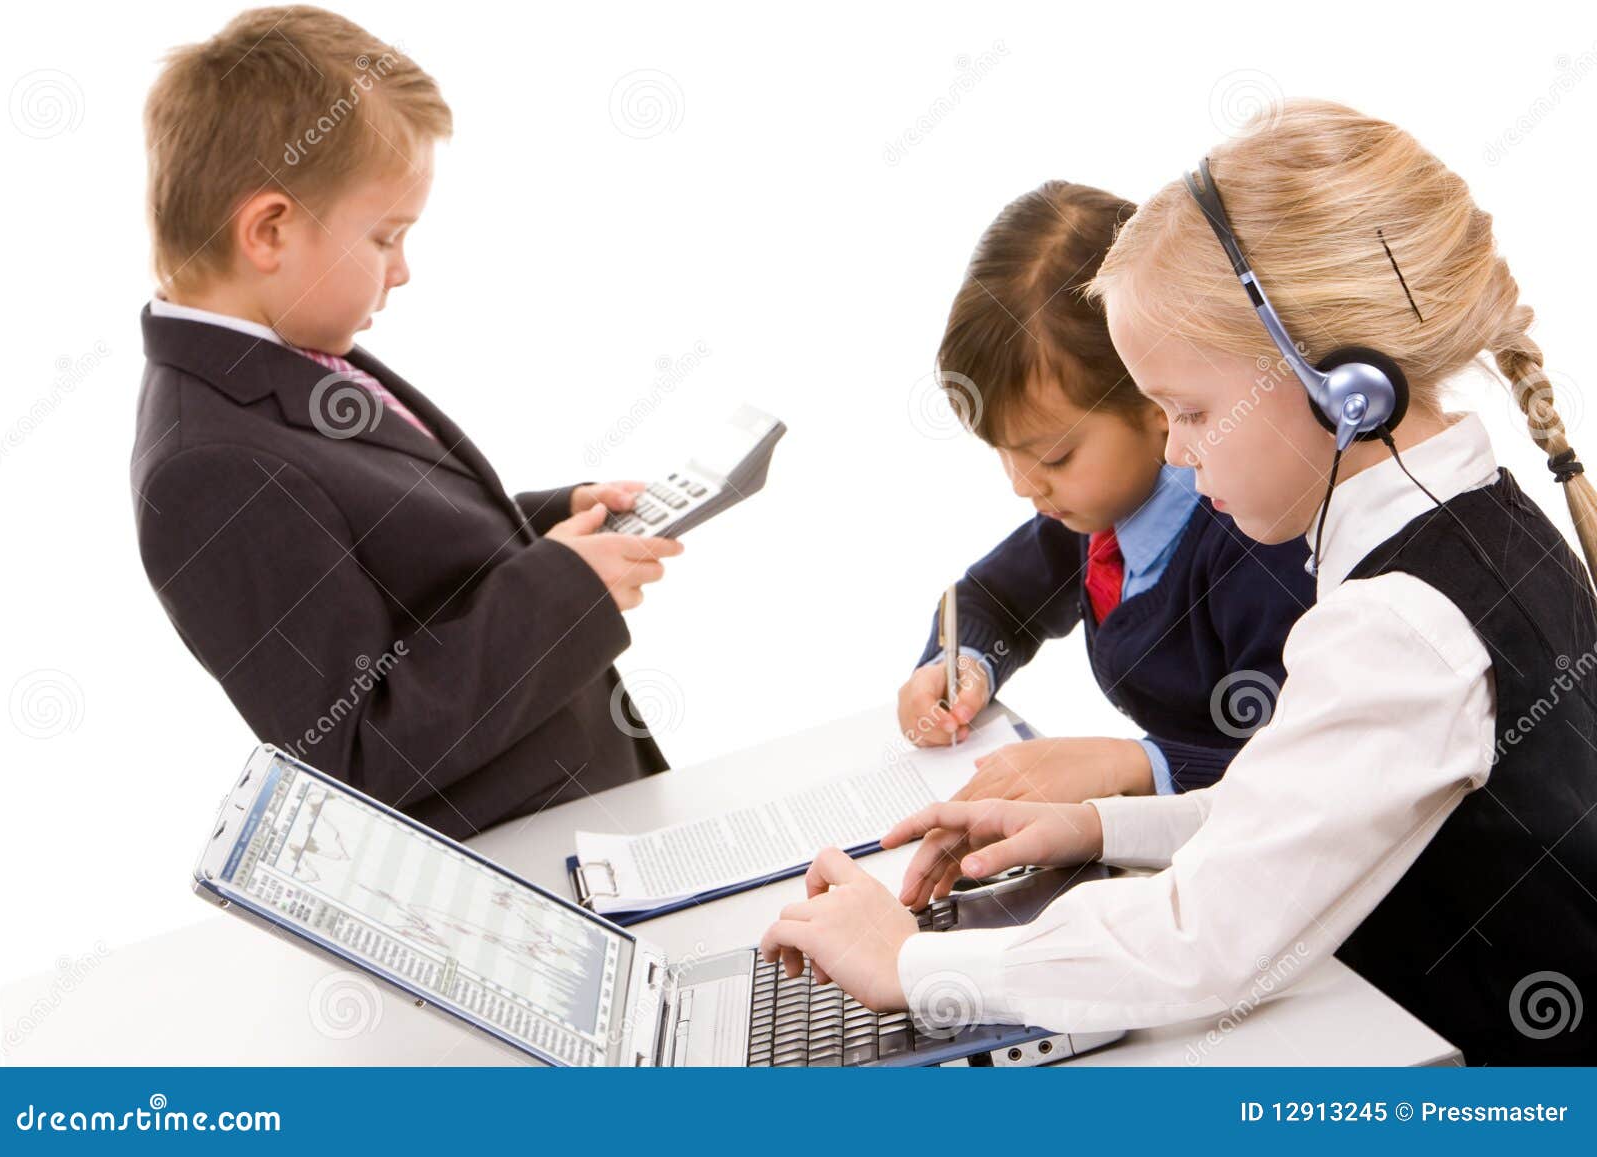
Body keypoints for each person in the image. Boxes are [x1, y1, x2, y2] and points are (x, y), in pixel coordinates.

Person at [763, 100, 1597, 1064]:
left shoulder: (1404, 623)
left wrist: (912, 965)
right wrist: (1094, 823)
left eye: (1191, 409)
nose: (1178, 450)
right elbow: (1292, 815)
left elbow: (1207, 939)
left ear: (1343, 388)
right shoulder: (1469, 520)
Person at [131, 7, 681, 839]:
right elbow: (352, 751)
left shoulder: (292, 341)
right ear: (269, 230)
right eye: (385, 236)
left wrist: (547, 523)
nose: (404, 269)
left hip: (579, 805)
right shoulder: (206, 468)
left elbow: (389, 554)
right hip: (518, 874)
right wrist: (564, 591)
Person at [898, 181, 1314, 802]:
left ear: (1157, 396)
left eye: (1053, 455)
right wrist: (963, 665)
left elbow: (1298, 771)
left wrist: (1135, 766)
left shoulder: (1258, 546)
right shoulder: (1094, 516)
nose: (1021, 484)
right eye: (1002, 452)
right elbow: (994, 600)